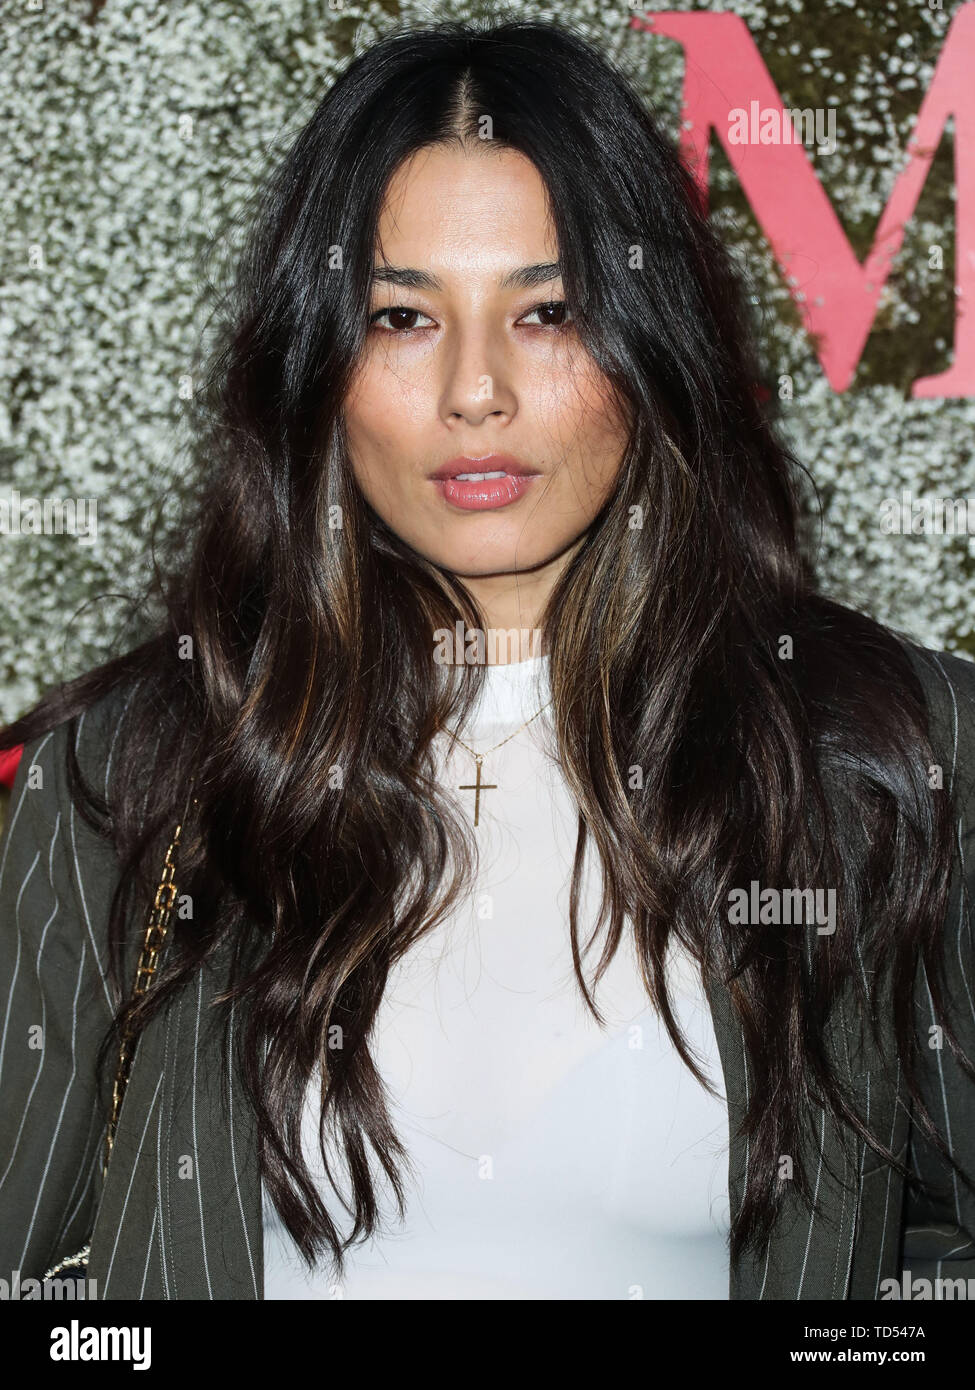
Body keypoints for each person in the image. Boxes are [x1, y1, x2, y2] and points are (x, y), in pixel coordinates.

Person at [1, 17, 973, 1302]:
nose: (476, 391)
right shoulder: (132, 771)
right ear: (318, 364)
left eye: (549, 311)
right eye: (402, 316)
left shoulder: (888, 753)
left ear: (646, 338)